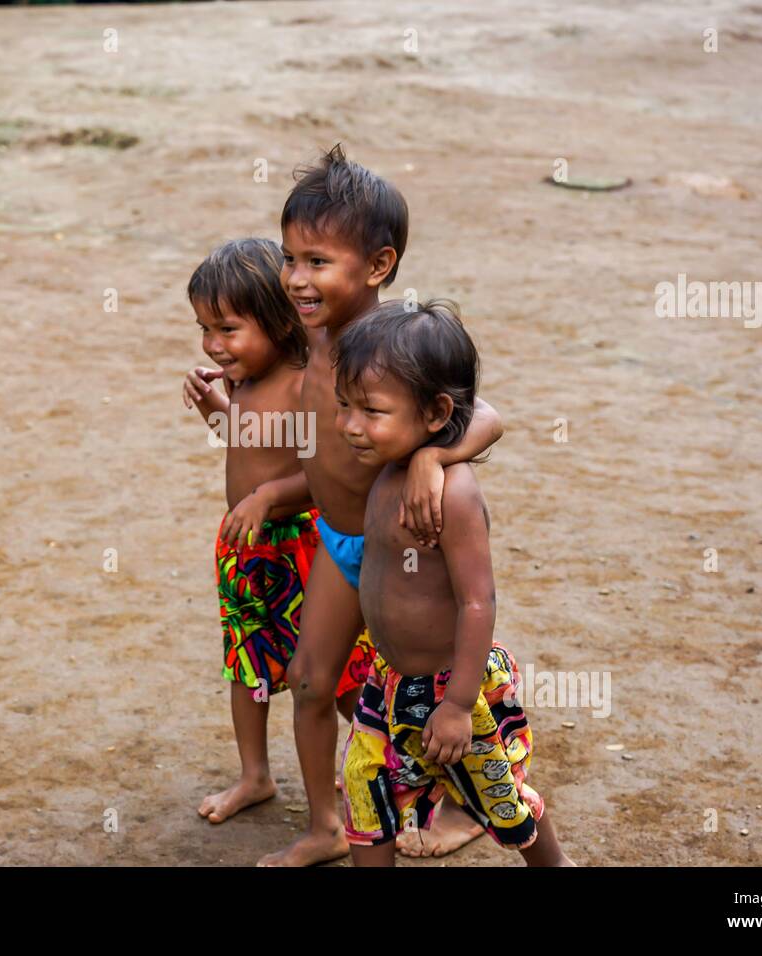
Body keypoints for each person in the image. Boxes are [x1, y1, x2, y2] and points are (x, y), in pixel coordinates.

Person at [255, 146, 506, 866]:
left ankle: (468, 804)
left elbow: (487, 414)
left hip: (401, 553)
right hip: (340, 538)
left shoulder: (392, 343)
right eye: (290, 258)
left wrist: (434, 454)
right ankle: (324, 825)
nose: (297, 279)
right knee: (310, 681)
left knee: (432, 691)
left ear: (377, 266)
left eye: (317, 262)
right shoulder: (305, 330)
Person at [334, 298, 573, 866]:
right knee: (367, 801)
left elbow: (476, 599)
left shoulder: (452, 492)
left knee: (503, 802)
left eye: (370, 411)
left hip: (453, 690)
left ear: (437, 412)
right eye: (344, 406)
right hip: (389, 685)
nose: (349, 425)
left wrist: (461, 703)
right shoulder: (392, 468)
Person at [183, 237, 373, 825]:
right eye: (204, 329)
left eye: (228, 330)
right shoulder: (244, 381)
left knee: (336, 676)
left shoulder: (303, 384)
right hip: (244, 549)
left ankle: (390, 762)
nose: (214, 345)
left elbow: (318, 475)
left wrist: (268, 496)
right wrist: (216, 406)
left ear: (278, 320)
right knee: (248, 666)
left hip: (301, 546)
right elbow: (250, 443)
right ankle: (255, 775)